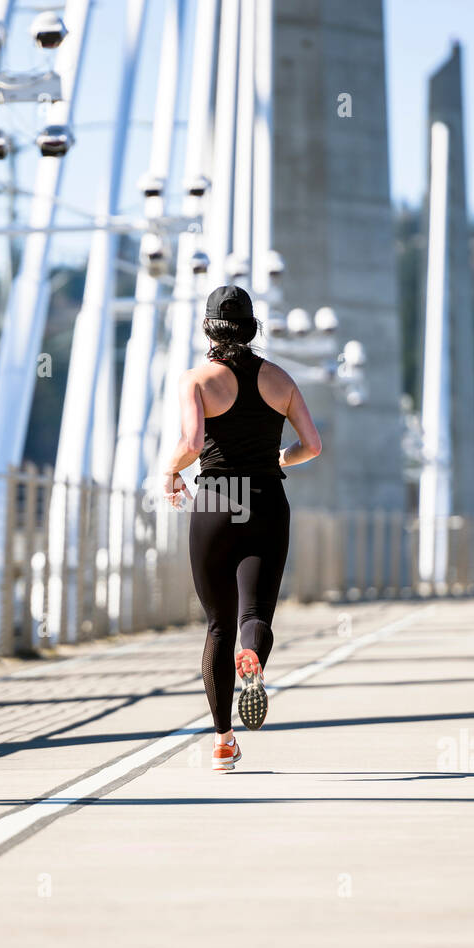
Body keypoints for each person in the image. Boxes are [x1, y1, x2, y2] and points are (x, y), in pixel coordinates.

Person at [163, 284, 322, 771]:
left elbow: (193, 440)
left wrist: (169, 470)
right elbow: (312, 445)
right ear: (251, 329)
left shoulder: (197, 380)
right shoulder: (280, 380)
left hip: (217, 500)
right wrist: (280, 457)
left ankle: (223, 742)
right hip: (266, 500)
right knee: (256, 614)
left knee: (216, 624)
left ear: (209, 329)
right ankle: (251, 652)